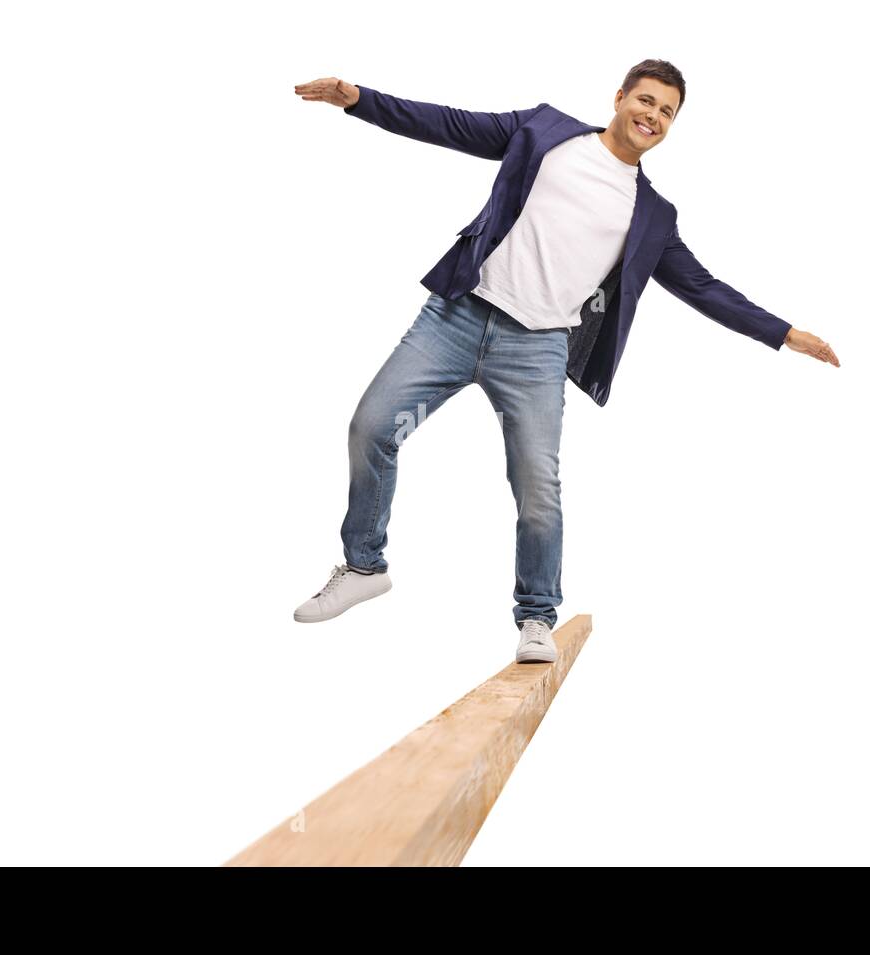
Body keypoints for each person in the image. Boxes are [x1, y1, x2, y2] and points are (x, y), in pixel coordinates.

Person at [290, 60, 840, 665]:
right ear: (620, 97)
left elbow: (705, 288)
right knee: (372, 427)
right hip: (457, 318)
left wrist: (785, 333)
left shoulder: (652, 215)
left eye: (667, 112)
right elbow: (448, 124)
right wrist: (359, 99)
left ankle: (535, 617)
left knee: (537, 489)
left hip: (538, 349)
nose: (652, 116)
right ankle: (365, 565)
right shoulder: (543, 134)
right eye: (646, 101)